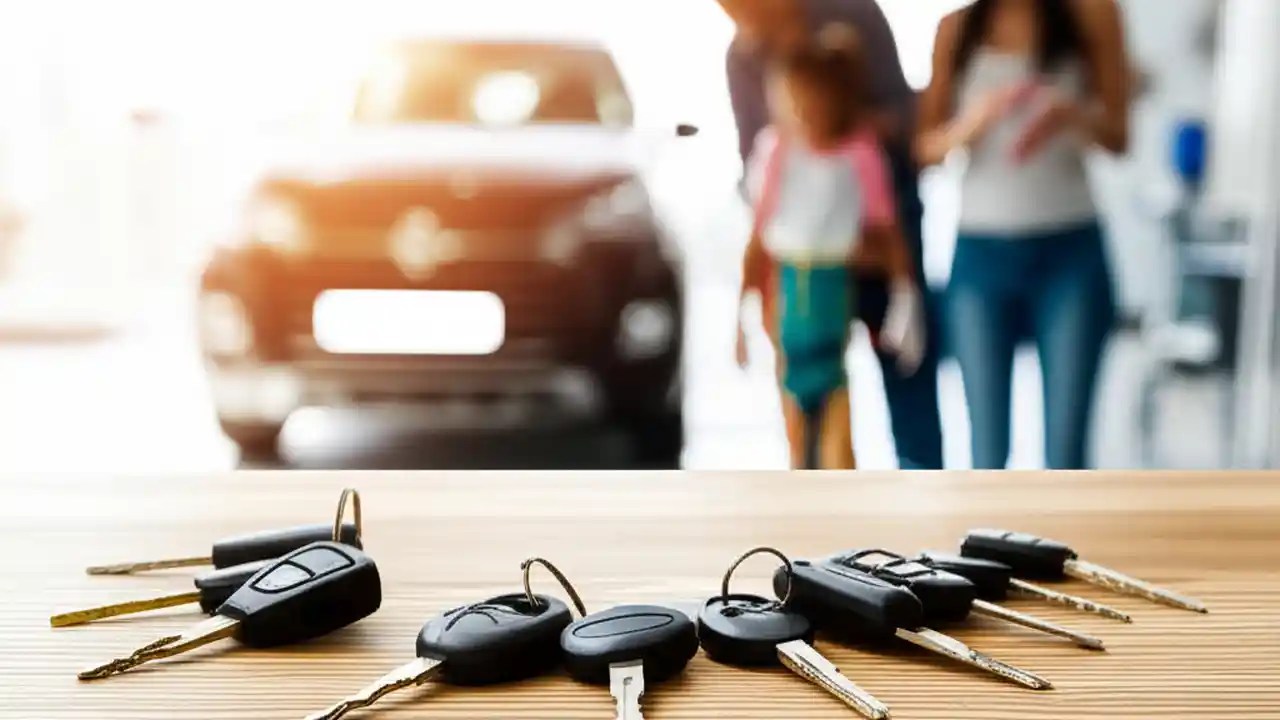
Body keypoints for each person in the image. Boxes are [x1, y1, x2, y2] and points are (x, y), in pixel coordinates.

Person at [721, 0, 946, 470]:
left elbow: (903, 121)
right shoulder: (743, 62)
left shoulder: (854, 14)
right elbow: (755, 187)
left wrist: (839, 131)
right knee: (807, 399)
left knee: (905, 382)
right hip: (802, 276)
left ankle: (920, 482)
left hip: (870, 242)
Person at [916, 0, 1130, 468]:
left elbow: (1120, 136)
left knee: (1066, 456)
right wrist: (974, 122)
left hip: (1071, 253)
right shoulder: (955, 28)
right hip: (980, 257)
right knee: (987, 455)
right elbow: (925, 149)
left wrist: (1071, 114)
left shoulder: (1094, 13)